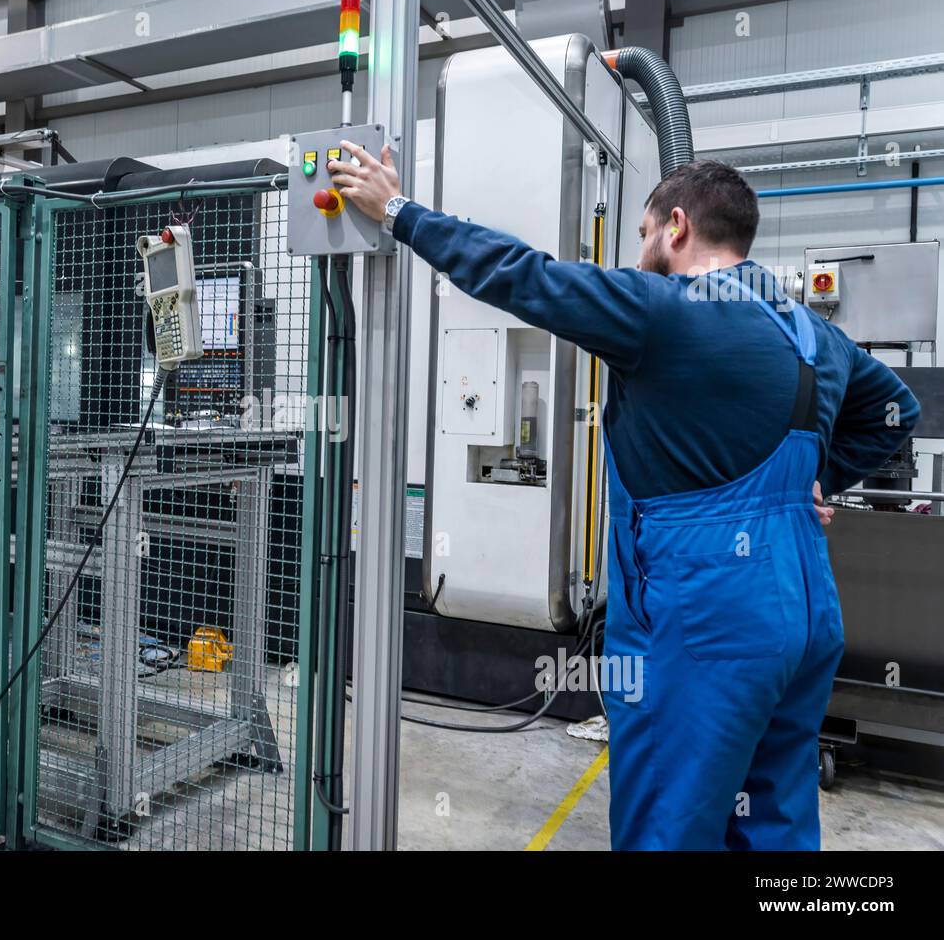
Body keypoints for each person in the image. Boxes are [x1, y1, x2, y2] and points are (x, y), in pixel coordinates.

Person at [327, 143, 919, 850]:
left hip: (705, 627)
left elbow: (523, 276)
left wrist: (397, 211)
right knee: (773, 821)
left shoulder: (663, 310)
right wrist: (818, 478)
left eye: (641, 235)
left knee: (669, 823)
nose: (638, 253)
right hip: (806, 617)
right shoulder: (813, 332)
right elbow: (896, 410)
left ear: (676, 227)